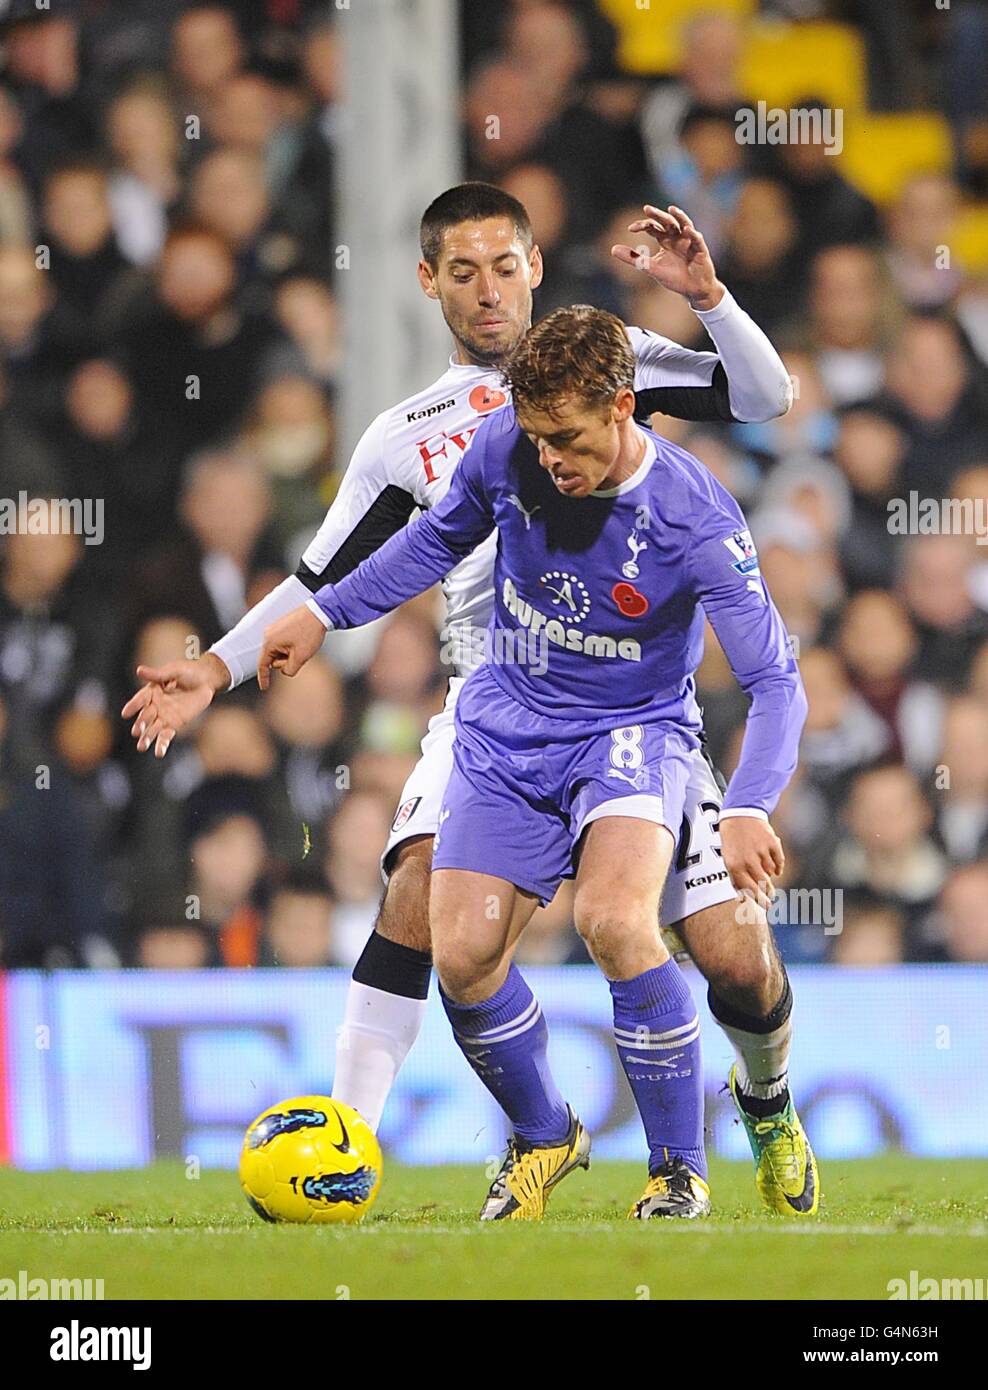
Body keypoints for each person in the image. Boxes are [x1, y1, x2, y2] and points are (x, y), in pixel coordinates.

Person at [122, 184, 805, 1216]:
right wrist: (219, 665)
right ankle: (371, 1145)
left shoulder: (614, 360)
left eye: (503, 265)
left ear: (534, 265)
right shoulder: (420, 434)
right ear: (428, 283)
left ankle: (763, 1101)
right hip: (492, 702)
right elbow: (326, 576)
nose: (487, 291)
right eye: (462, 271)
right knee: (432, 916)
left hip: (631, 710)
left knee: (728, 955)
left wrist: (709, 297)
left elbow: (761, 400)